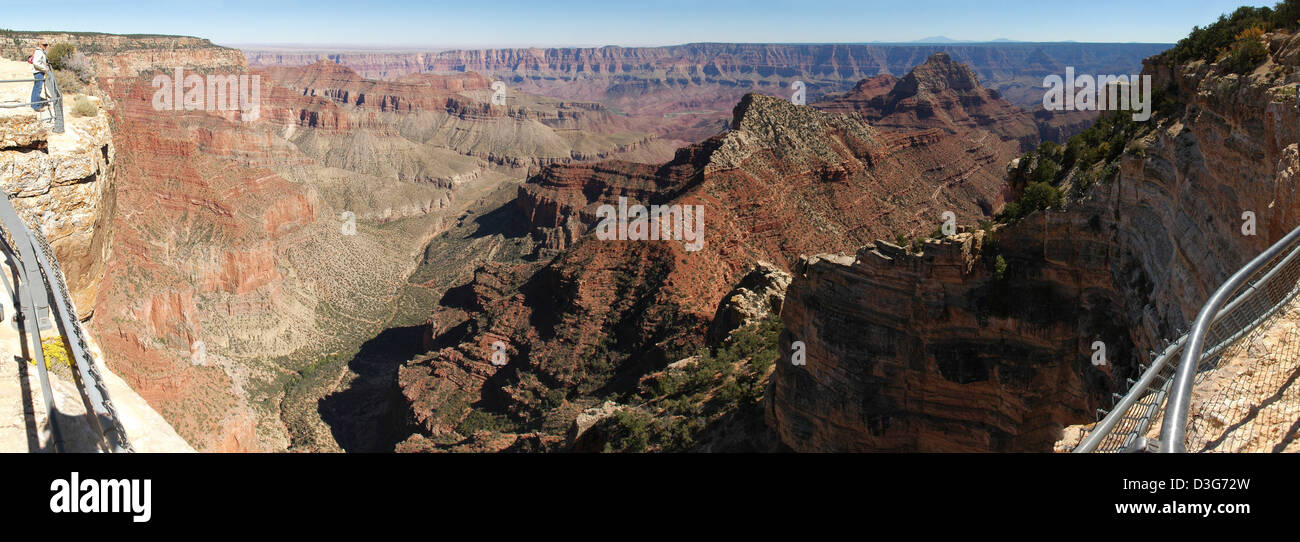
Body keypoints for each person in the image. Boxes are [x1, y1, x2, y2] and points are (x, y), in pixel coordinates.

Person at [30, 42, 50, 113]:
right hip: (39, 72)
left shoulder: (40, 51)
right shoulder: (39, 52)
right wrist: (45, 68)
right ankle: (36, 106)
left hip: (38, 72)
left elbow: (39, 62)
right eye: (44, 45)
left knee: (36, 88)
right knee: (38, 89)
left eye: (46, 45)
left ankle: (33, 104)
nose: (45, 46)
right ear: (40, 45)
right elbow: (36, 63)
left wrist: (45, 64)